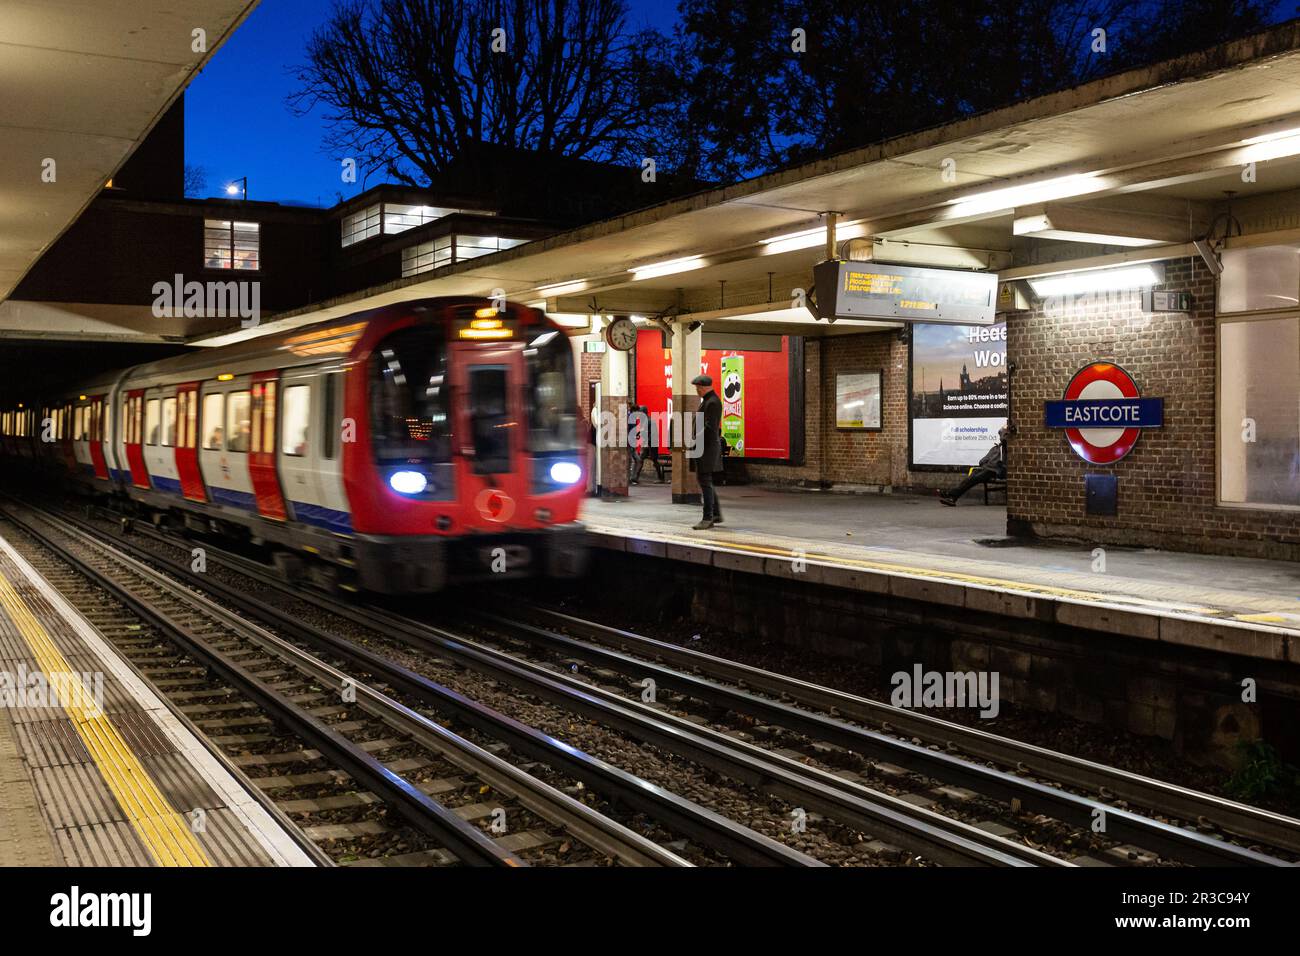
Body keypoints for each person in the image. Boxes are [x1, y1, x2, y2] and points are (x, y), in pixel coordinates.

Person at [940, 426, 1008, 506]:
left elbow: (1004, 439)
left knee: (974, 478)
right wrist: (984, 463)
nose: (1001, 436)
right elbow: (982, 460)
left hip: (996, 471)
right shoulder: (995, 448)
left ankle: (950, 493)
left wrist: (1004, 429)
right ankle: (952, 498)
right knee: (969, 478)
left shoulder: (1006, 447)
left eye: (1003, 434)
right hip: (986, 469)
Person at [690, 374, 724, 529]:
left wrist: (696, 441)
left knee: (705, 481)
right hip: (704, 448)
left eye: (697, 388)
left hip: (706, 449)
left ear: (703, 387)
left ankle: (707, 517)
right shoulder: (708, 401)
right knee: (706, 481)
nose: (697, 391)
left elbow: (710, 428)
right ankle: (715, 514)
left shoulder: (713, 402)